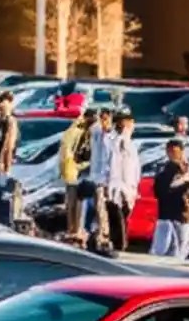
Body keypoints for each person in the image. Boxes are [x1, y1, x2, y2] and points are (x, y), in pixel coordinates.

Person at [151, 139, 189, 258]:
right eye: (172, 152)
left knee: (184, 244)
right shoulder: (164, 170)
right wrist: (182, 181)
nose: (175, 155)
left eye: (178, 152)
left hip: (186, 213)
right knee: (164, 246)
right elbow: (160, 191)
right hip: (168, 214)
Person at [103, 111, 140, 255]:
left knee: (124, 216)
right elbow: (110, 165)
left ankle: (120, 243)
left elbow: (135, 168)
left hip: (128, 187)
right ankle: (119, 244)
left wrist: (134, 188)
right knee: (116, 217)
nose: (131, 126)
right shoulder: (113, 141)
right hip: (115, 186)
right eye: (128, 123)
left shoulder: (131, 145)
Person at [59, 110, 94, 242]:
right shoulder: (79, 132)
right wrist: (85, 164)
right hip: (75, 172)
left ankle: (72, 229)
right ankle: (75, 229)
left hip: (70, 171)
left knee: (72, 202)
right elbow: (76, 154)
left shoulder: (71, 131)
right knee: (77, 202)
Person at [86, 108, 115, 247]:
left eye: (106, 119)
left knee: (101, 208)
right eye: (101, 119)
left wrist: (108, 180)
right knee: (96, 207)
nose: (103, 122)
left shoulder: (111, 138)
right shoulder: (97, 134)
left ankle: (103, 233)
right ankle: (97, 231)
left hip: (104, 178)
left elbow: (111, 161)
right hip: (95, 177)